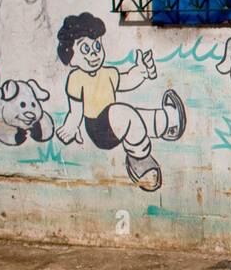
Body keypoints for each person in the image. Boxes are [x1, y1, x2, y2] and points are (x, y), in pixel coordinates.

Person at [54, 12, 186, 191]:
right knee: (124, 113)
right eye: (85, 49)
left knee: (133, 116)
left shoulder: (107, 73)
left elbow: (126, 80)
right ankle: (140, 159)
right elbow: (75, 110)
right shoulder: (76, 79)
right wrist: (70, 127)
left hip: (114, 121)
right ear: (70, 55)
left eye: (97, 47)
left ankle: (167, 122)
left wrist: (141, 71)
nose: (94, 54)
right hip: (98, 129)